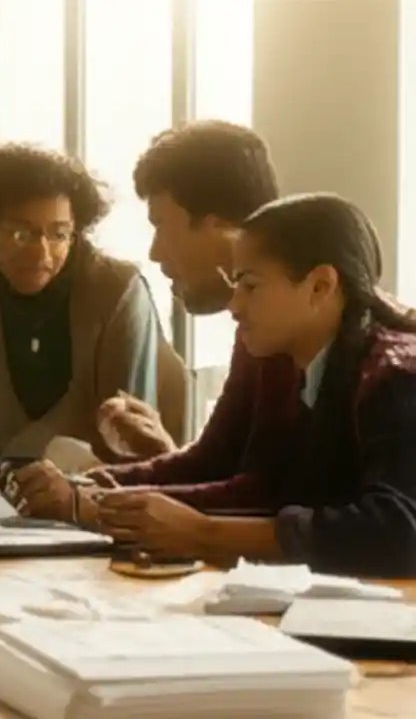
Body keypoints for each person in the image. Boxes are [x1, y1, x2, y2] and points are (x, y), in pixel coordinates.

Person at [95, 194, 416, 577]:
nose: (234, 306)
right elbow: (276, 492)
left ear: (319, 286)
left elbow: (399, 530)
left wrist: (204, 534)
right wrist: (106, 496)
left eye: (249, 286)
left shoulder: (396, 373)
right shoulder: (307, 369)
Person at [15, 120, 280, 523]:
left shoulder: (286, 332)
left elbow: (267, 496)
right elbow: (215, 466)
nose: (155, 253)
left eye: (159, 224)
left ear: (217, 225)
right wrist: (89, 486)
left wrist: (85, 503)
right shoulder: (254, 331)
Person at [0, 144, 185, 461]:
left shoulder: (117, 289)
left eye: (59, 234)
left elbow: (130, 447)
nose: (41, 255)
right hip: (17, 492)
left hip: (109, 491)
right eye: (21, 234)